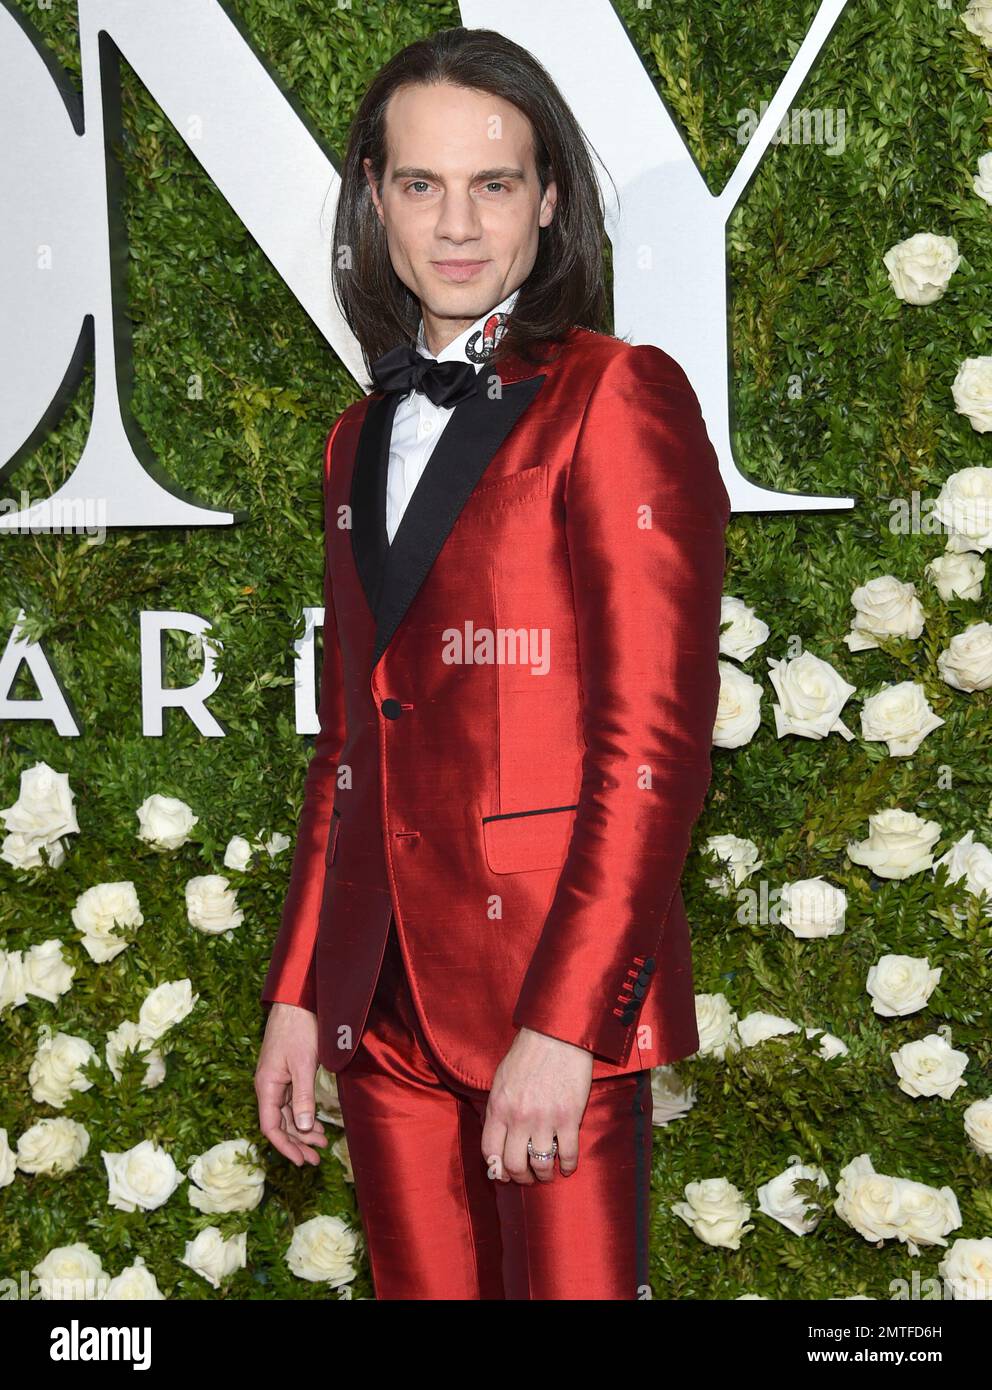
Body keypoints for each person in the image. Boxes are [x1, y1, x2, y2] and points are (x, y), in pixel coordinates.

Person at [255, 25, 730, 1301]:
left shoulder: (617, 397)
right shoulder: (354, 435)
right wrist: (302, 989)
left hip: (543, 996)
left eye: (494, 183)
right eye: (421, 184)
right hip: (382, 1001)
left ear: (548, 198)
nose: (456, 225)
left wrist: (567, 1025)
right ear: (374, 197)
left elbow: (653, 752)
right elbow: (353, 739)